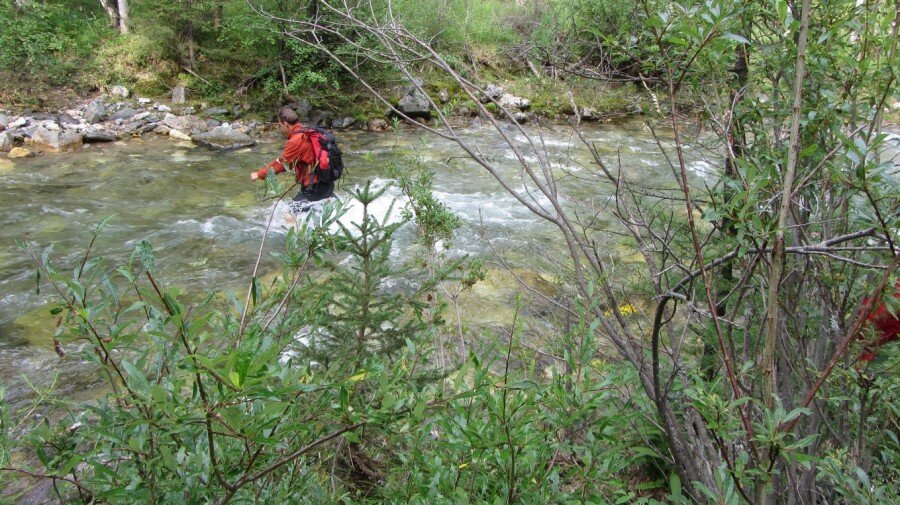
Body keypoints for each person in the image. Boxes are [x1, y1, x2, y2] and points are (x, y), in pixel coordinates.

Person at [250, 107, 334, 211]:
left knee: (288, 214)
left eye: (280, 125)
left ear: (285, 124)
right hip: (327, 182)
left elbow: (281, 164)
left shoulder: (297, 140)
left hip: (313, 188)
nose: (280, 129)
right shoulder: (307, 131)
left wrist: (259, 174)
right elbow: (291, 162)